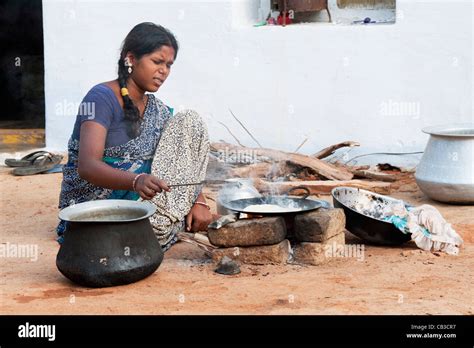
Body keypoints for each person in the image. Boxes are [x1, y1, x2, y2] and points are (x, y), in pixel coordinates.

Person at [57, 22, 213, 251]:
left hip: (144, 204)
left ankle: (163, 222)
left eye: (169, 65)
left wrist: (198, 200)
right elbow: (87, 166)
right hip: (95, 207)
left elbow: (180, 162)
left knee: (190, 121)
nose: (164, 71)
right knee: (126, 236)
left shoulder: (158, 110)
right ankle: (149, 229)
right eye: (157, 62)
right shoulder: (100, 98)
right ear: (130, 58)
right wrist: (135, 180)